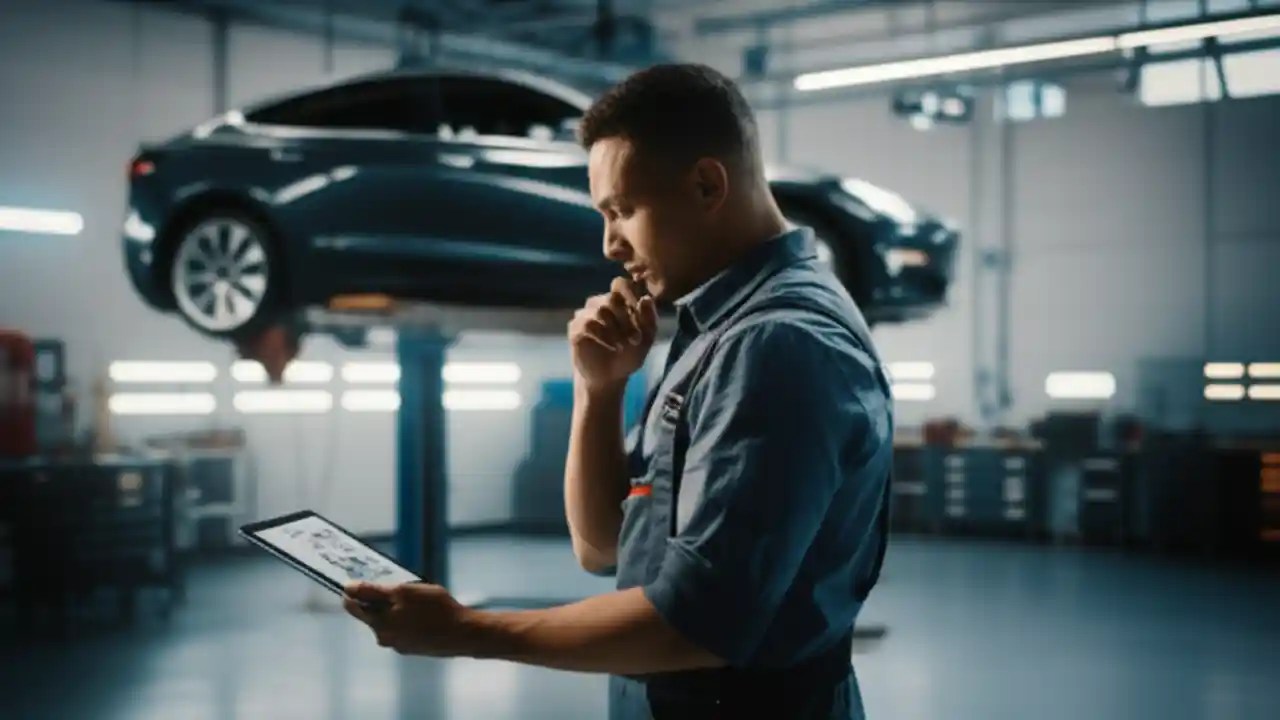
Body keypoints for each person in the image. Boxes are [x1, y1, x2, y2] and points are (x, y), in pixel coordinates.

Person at [342, 63, 895, 719]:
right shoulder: (717, 326)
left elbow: (693, 623)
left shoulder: (776, 345)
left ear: (707, 184)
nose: (609, 245)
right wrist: (598, 389)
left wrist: (467, 631)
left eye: (622, 211)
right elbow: (603, 545)